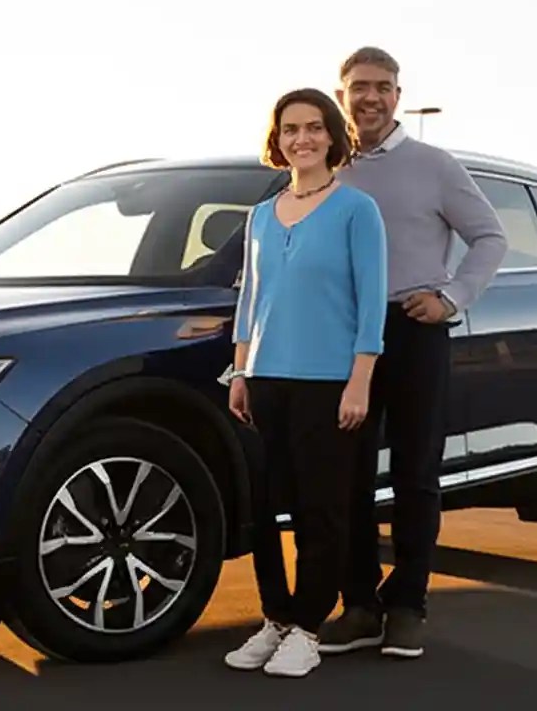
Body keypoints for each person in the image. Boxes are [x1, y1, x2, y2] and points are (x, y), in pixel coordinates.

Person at [318, 46, 507, 660]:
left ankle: (407, 605)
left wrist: (451, 297)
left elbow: (489, 236)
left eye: (382, 86)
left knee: (415, 475)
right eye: (358, 87)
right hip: (343, 338)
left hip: (413, 330)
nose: (370, 97)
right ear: (341, 93)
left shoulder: (434, 165)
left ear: (398, 95)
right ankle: (359, 605)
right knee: (345, 477)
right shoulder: (325, 165)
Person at [222, 88, 388, 678]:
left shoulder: (356, 210)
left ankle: (310, 627)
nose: (302, 139)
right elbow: (251, 301)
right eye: (291, 128)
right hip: (265, 380)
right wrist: (241, 371)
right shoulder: (262, 216)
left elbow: (371, 305)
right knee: (263, 509)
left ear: (332, 136)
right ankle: (276, 618)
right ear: (278, 138)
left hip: (329, 383)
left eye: (314, 127)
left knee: (323, 511)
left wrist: (360, 381)